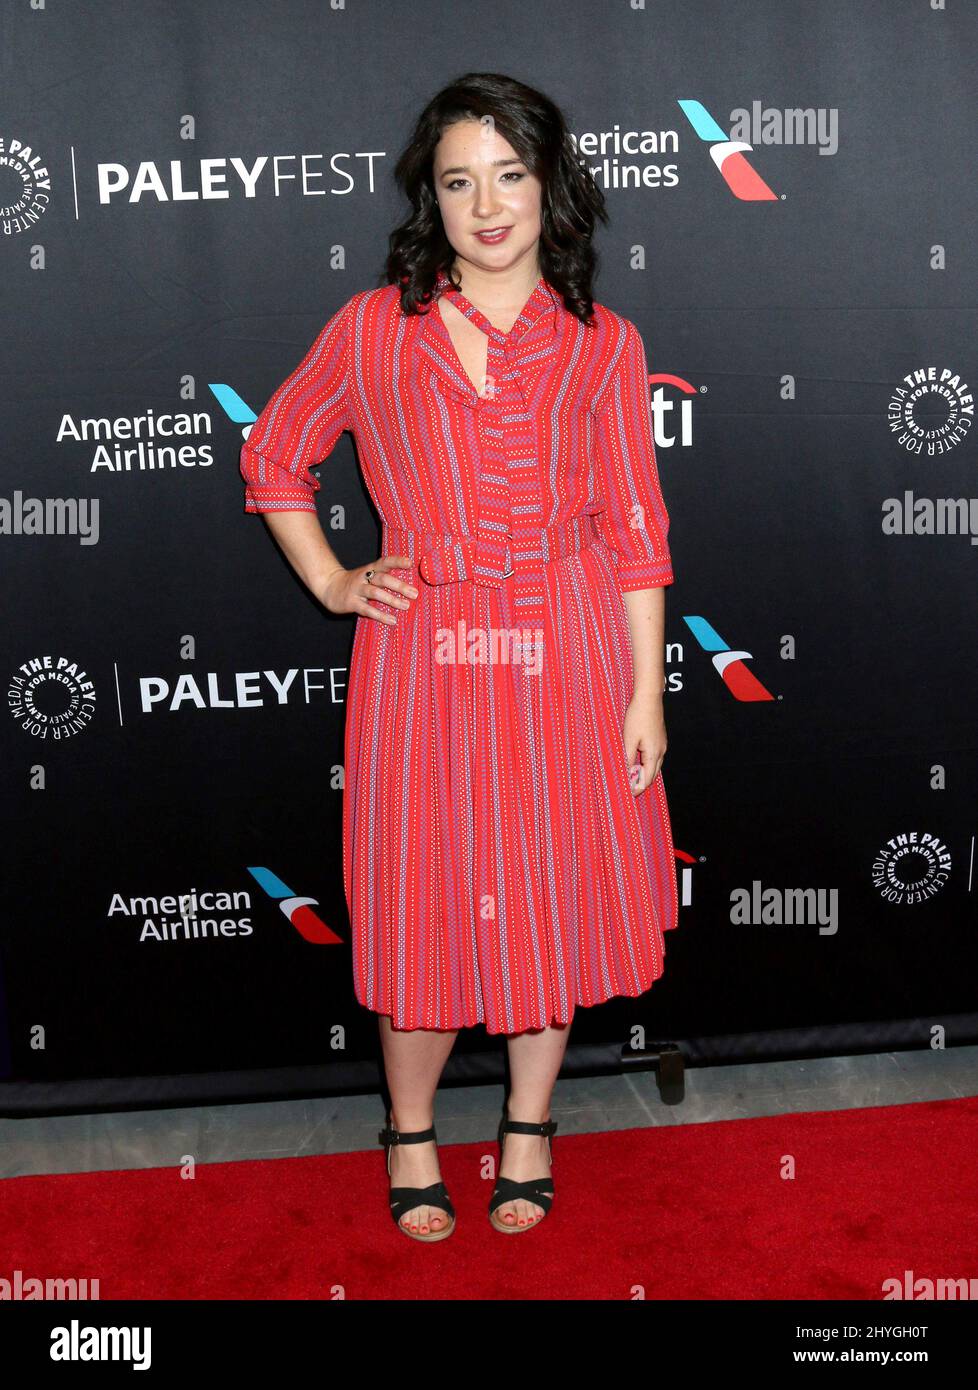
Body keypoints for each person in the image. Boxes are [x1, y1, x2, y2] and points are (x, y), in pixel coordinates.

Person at [239, 72, 678, 1243]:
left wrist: (646, 688)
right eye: (458, 180)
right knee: (418, 898)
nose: (487, 204)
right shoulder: (375, 327)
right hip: (423, 654)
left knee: (547, 894)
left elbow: (637, 527)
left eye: (511, 174)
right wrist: (336, 578)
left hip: (569, 648)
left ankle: (529, 1126)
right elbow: (278, 454)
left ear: (552, 184)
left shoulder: (604, 344)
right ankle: (412, 1127)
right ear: (429, 199)